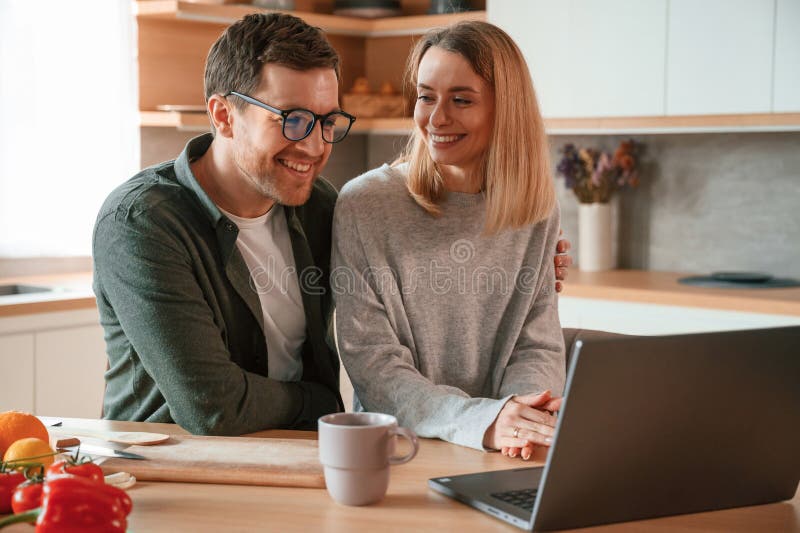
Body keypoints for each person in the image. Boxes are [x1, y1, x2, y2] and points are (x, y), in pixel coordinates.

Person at [93, 13, 571, 437]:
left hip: (299, 451)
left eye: (327, 121)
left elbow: (425, 277)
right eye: (294, 119)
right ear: (223, 115)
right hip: (168, 464)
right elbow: (210, 405)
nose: (316, 146)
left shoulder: (317, 205)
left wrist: (527, 265)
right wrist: (320, 402)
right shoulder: (141, 224)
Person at [332, 20, 564, 459]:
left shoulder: (537, 210)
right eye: (425, 96)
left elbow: (537, 342)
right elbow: (374, 365)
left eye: (461, 100)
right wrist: (485, 420)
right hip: (403, 450)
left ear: (505, 108)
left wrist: (522, 420)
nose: (436, 118)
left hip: (506, 450)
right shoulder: (366, 204)